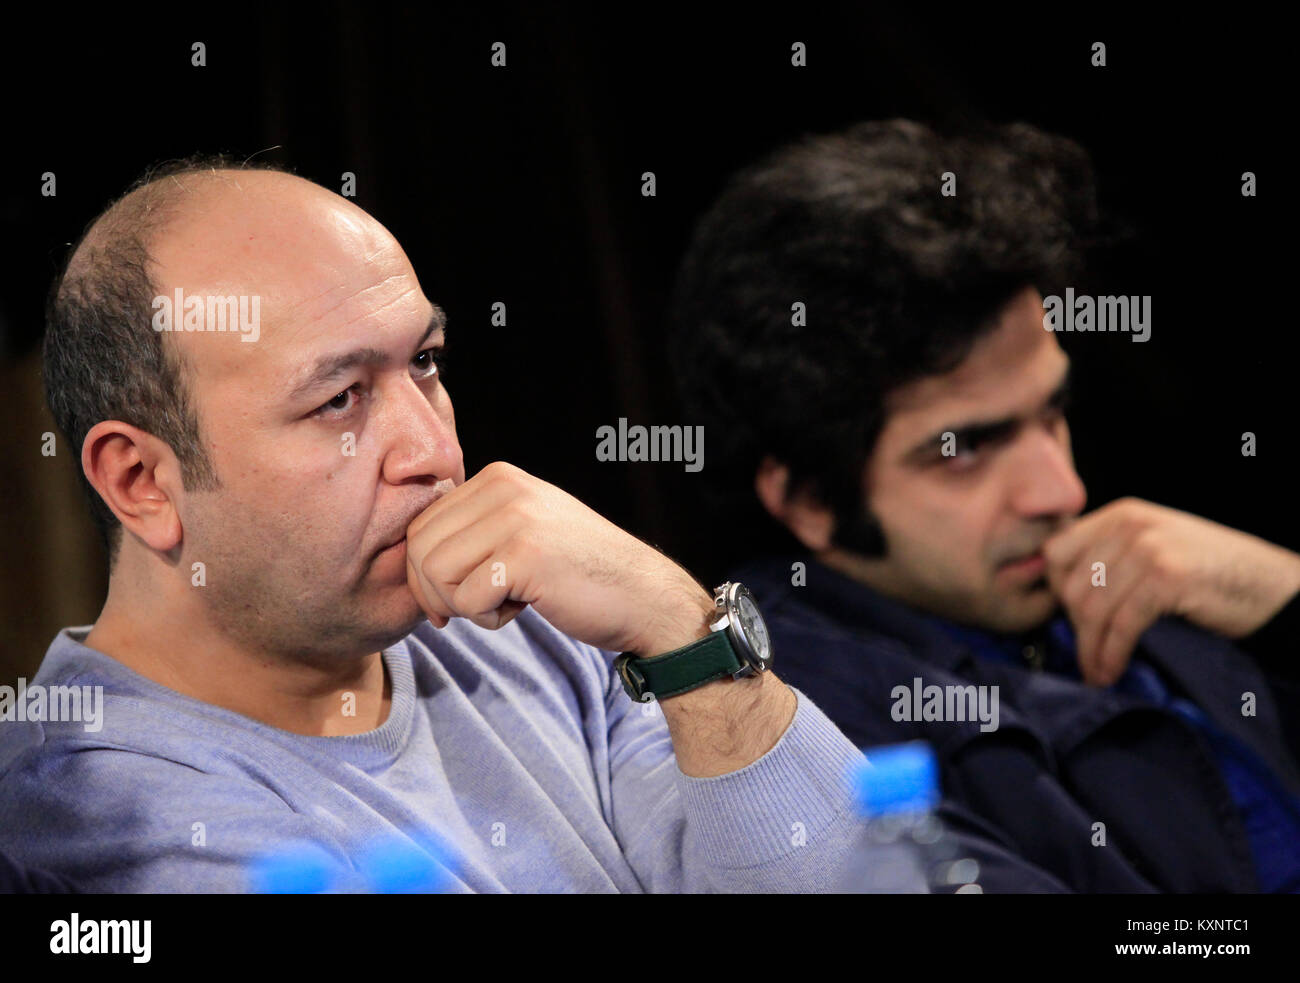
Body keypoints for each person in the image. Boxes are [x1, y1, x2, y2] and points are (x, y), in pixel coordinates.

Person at [0, 155, 877, 893]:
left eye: (424, 362)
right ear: (143, 481)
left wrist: (678, 625)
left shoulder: (516, 629)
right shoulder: (92, 808)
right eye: (338, 399)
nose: (432, 448)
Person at [668, 119, 1300, 892]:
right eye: (963, 448)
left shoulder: (1154, 575)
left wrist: (1285, 595)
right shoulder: (791, 731)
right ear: (809, 499)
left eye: (1052, 411)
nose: (1061, 491)